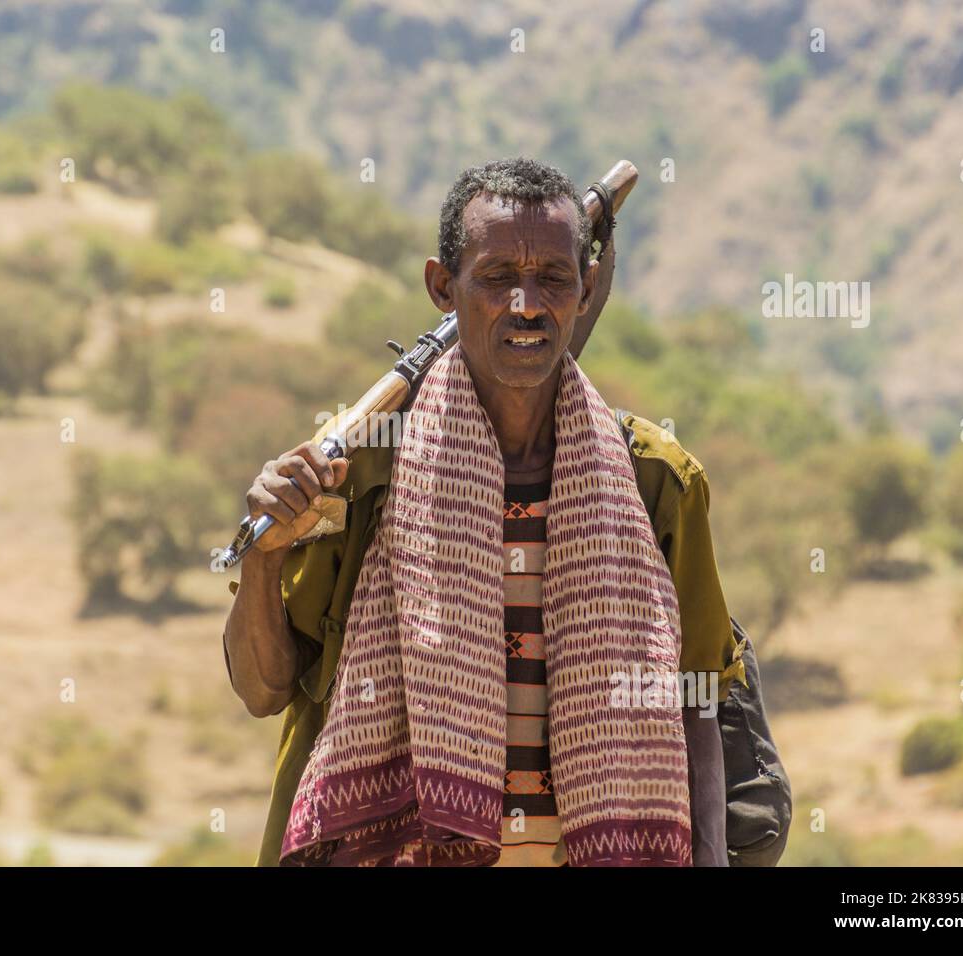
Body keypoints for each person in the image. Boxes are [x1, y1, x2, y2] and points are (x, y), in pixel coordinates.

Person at [223, 157, 746, 867]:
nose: (526, 304)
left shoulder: (655, 479)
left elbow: (697, 697)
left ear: (587, 290)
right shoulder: (361, 472)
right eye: (497, 279)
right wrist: (265, 556)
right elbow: (263, 689)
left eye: (554, 279)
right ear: (444, 288)